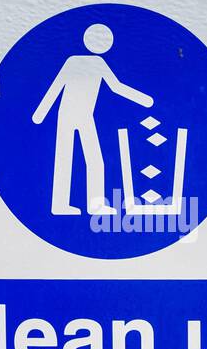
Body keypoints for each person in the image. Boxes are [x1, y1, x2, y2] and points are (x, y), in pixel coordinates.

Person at [32, 23, 153, 215]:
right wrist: (40, 114)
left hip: (84, 116)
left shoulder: (96, 63)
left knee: (95, 161)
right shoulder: (74, 62)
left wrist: (144, 99)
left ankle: (95, 205)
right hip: (67, 115)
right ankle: (60, 206)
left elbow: (116, 87)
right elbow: (56, 87)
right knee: (66, 158)